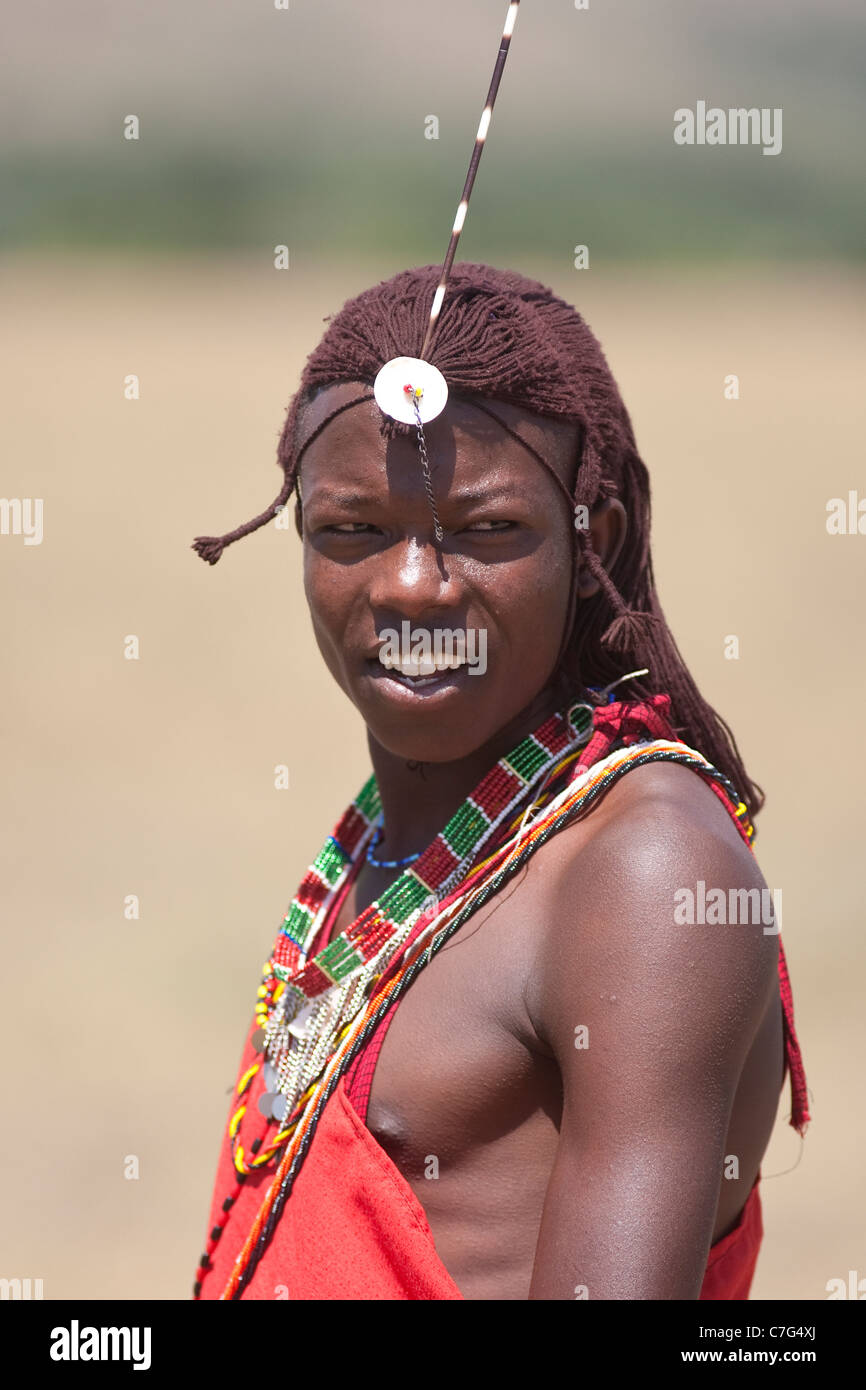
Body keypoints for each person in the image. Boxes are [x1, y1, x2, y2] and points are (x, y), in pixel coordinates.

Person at [191, 262, 809, 1300]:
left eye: (485, 532)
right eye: (351, 530)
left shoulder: (642, 874)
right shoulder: (395, 838)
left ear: (591, 540)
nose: (409, 585)